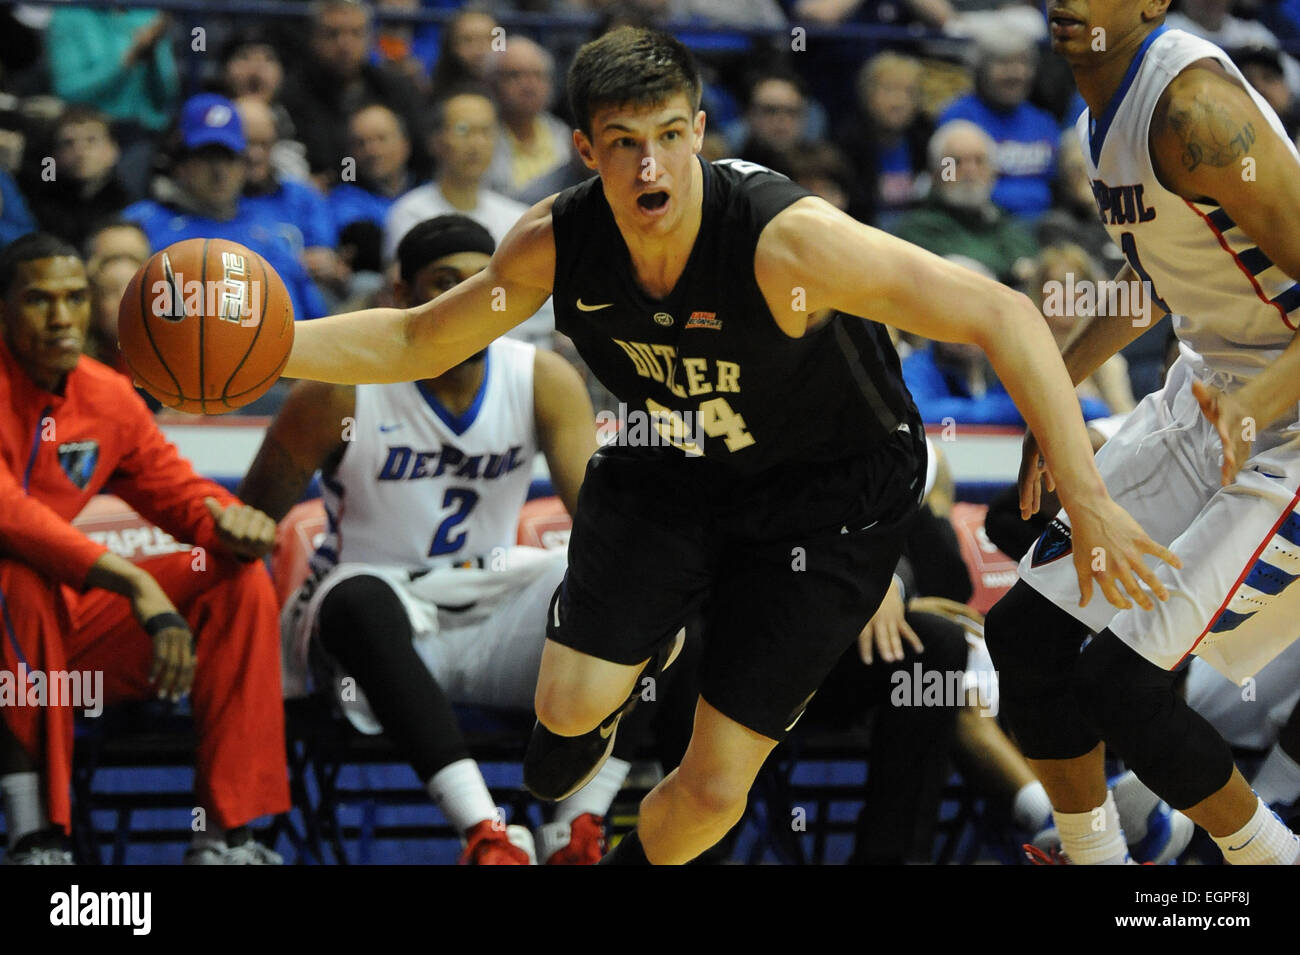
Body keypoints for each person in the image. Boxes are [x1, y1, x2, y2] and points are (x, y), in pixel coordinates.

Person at [279, 26, 1174, 865]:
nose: (650, 162)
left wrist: (1086, 493)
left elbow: (1004, 312)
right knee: (559, 729)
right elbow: (414, 339)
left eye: (670, 133)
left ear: (701, 130)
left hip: (836, 498)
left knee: (711, 792)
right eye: (623, 141)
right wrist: (270, 350)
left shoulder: (787, 239)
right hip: (682, 460)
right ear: (585, 151)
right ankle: (645, 650)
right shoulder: (558, 240)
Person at [986, 2, 1300, 866]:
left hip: (1288, 422)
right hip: (1211, 389)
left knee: (1125, 686)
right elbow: (1154, 276)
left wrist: (1257, 405)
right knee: (1026, 633)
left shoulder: (1197, 108)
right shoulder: (1101, 103)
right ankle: (1097, 860)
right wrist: (1056, 394)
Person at [239, 214, 629, 864]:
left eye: (480, 285)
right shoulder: (337, 390)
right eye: (442, 283)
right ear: (400, 294)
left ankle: (577, 827)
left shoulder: (541, 377)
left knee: (644, 592)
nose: (462, 301)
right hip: (378, 631)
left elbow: (599, 525)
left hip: (496, 614)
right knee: (355, 599)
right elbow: (246, 519)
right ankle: (486, 834)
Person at [0, 234, 288, 864]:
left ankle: (224, 836)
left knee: (233, 578)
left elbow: (178, 493)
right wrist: (137, 586)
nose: (60, 318)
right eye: (37, 300)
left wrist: (231, 522)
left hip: (56, 640)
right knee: (15, 576)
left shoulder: (107, 398)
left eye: (75, 298)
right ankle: (34, 838)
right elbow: (9, 517)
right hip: (13, 628)